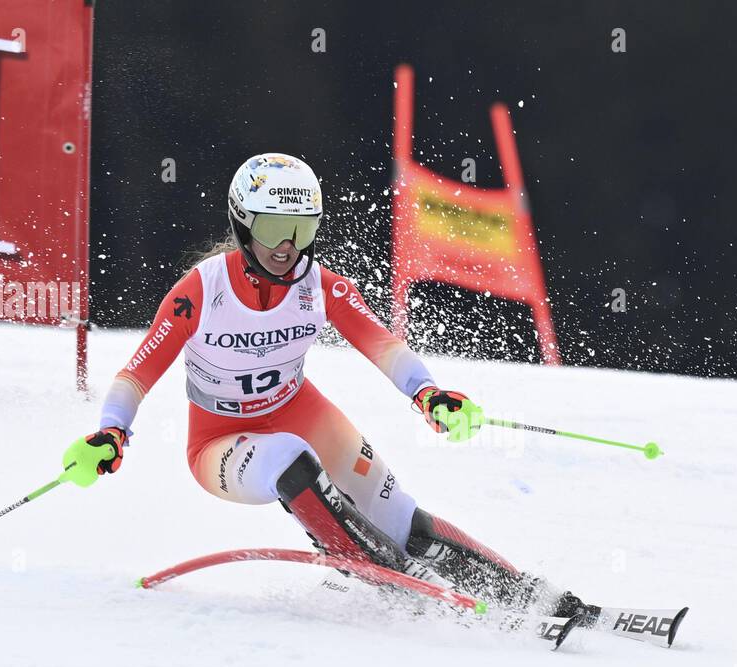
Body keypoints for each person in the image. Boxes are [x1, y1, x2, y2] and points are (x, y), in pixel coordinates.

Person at [63, 152, 580, 615]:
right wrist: (112, 432)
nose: (287, 247)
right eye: (271, 229)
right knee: (288, 456)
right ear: (243, 225)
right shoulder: (201, 291)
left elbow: (383, 346)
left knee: (401, 518)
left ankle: (533, 596)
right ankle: (386, 574)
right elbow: (137, 373)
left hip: (301, 412)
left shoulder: (322, 287)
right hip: (219, 444)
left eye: (301, 230)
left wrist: (429, 394)